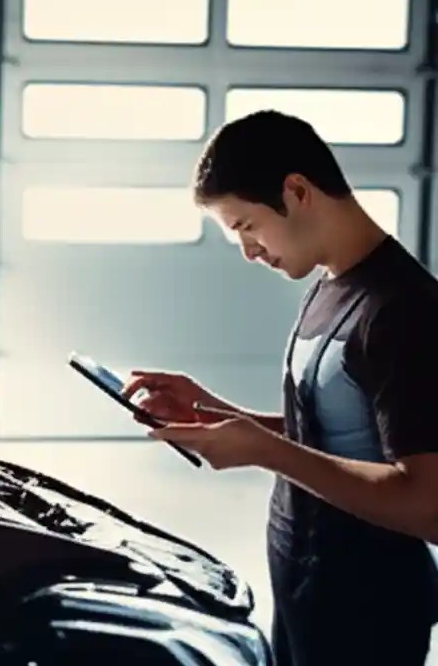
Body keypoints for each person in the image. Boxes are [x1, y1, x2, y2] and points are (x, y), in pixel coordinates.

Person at [121, 110, 438, 665]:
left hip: (368, 604)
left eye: (246, 226)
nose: (247, 251)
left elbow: (427, 503)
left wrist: (262, 451)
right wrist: (209, 409)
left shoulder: (404, 310)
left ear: (296, 191)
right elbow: (338, 433)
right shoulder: (331, 283)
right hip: (307, 582)